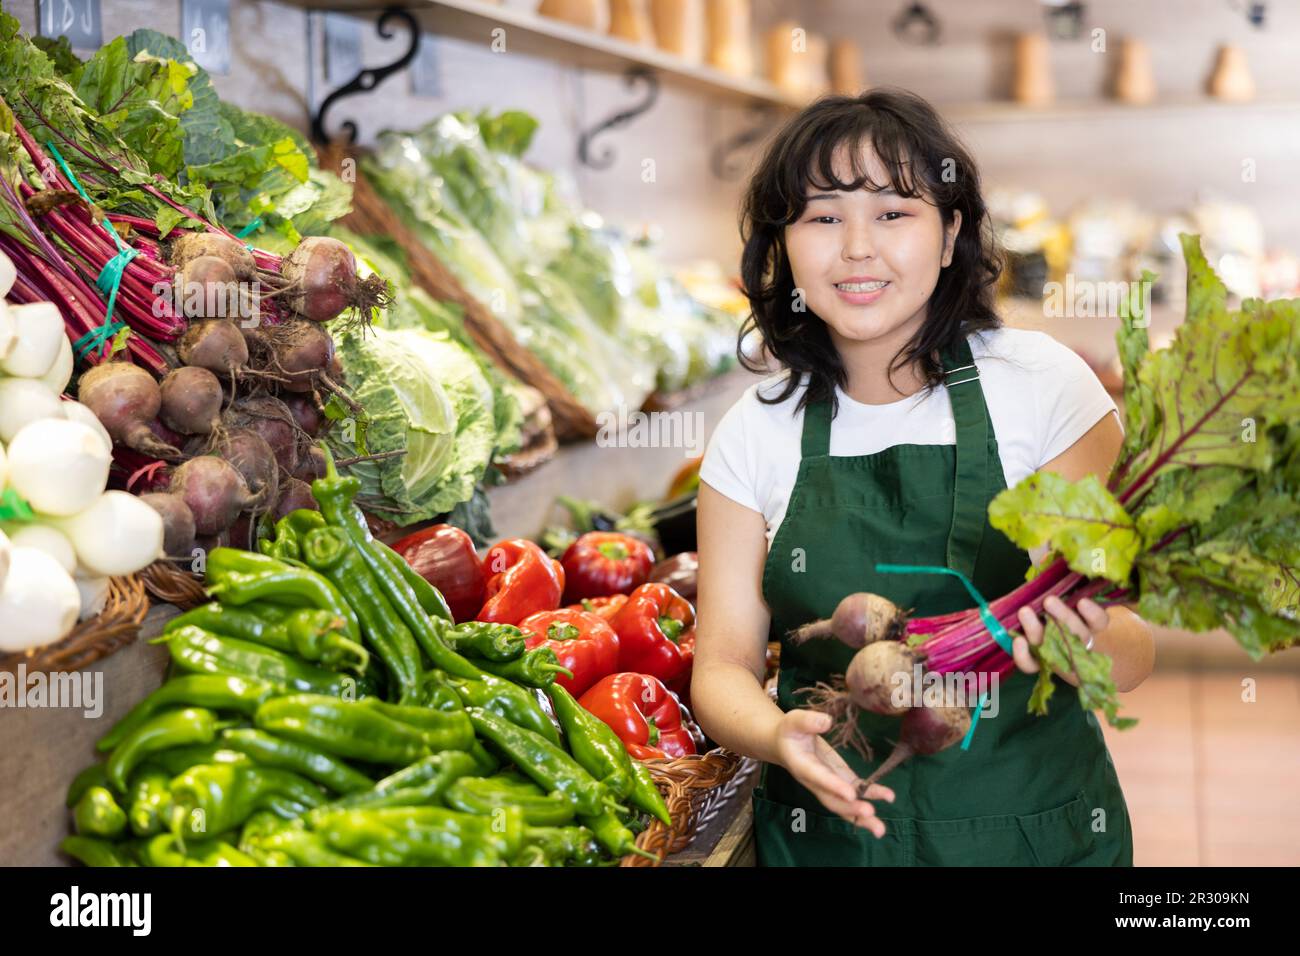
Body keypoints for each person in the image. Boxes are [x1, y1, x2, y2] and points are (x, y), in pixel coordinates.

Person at [691, 88, 1155, 867]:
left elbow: (1136, 656)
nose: (857, 248)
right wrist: (777, 735)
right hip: (834, 840)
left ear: (950, 238)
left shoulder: (1044, 388)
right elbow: (723, 668)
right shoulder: (753, 431)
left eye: (894, 213)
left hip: (1036, 833)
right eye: (822, 217)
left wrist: (1090, 641)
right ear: (785, 248)